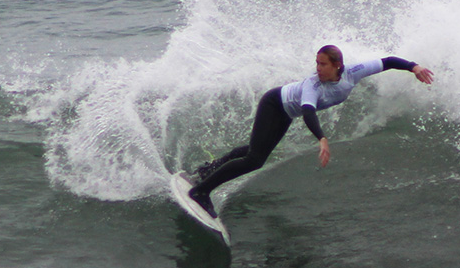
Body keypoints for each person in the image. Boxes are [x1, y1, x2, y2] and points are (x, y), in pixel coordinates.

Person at [184, 44, 435, 216]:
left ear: (337, 65)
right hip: (274, 104)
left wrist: (414, 67)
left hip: (284, 112)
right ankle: (201, 191)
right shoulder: (312, 85)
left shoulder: (353, 73)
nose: (318, 68)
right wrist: (322, 138)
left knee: (254, 151)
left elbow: (388, 61)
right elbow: (308, 111)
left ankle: (206, 170)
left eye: (323, 64)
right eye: (316, 63)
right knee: (254, 160)